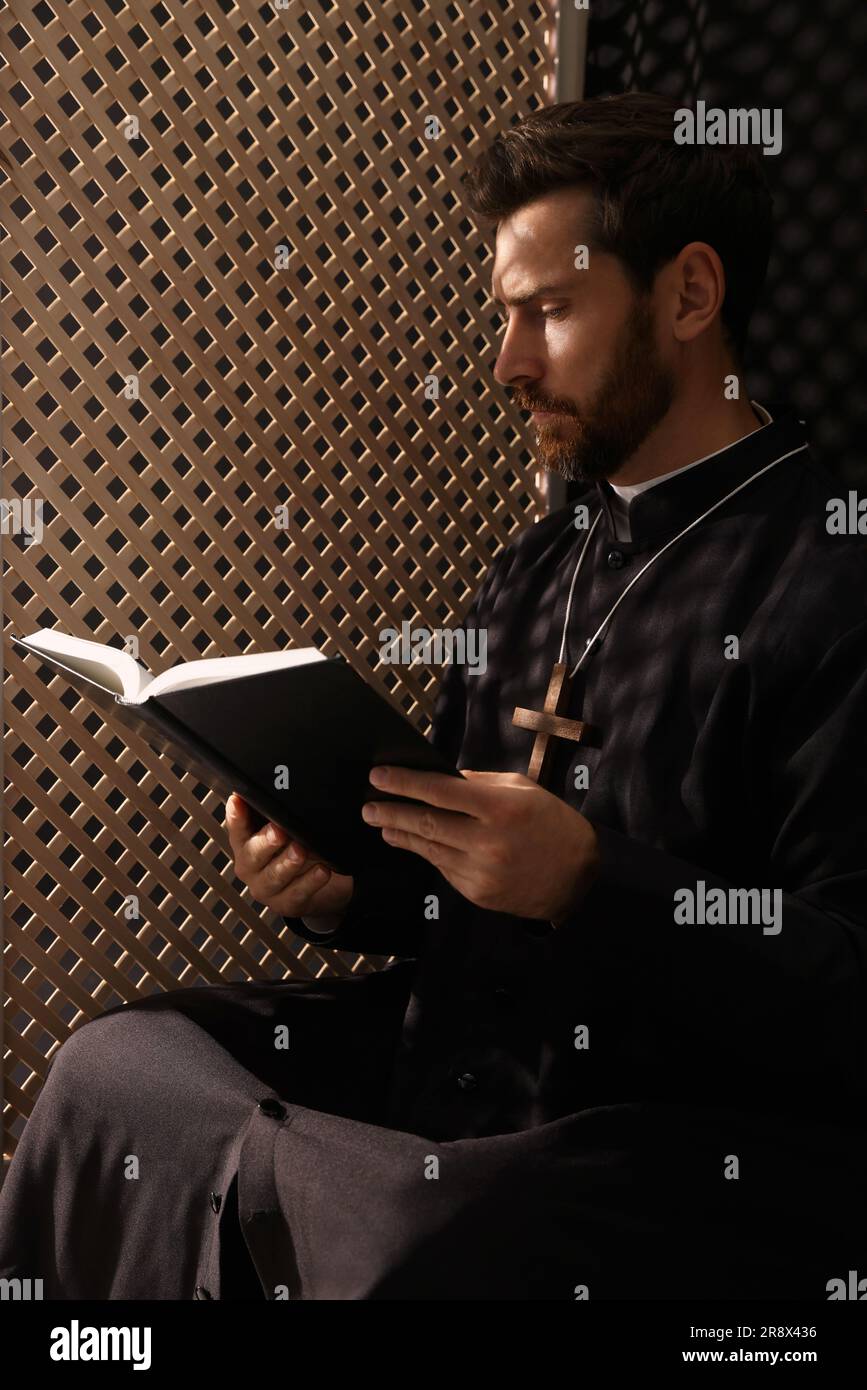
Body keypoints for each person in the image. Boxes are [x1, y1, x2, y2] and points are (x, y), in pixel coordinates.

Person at [2, 91, 866, 1301]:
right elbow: (442, 896)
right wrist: (344, 885)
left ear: (688, 295)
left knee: (418, 1229)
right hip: (452, 1051)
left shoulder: (832, 579)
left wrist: (589, 881)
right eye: (503, 316)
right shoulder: (534, 570)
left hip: (661, 1124)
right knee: (125, 1068)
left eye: (548, 313)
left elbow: (843, 982)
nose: (507, 362)